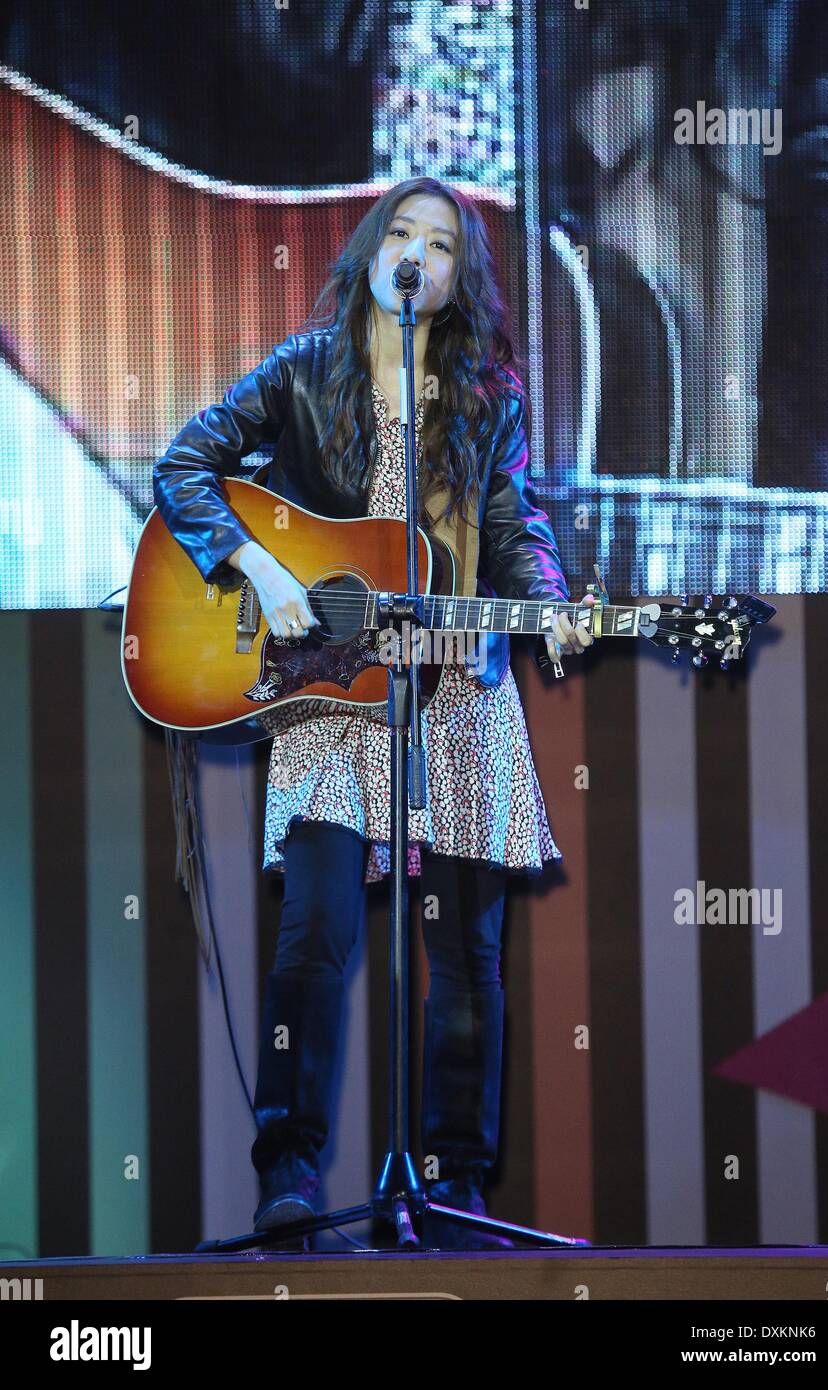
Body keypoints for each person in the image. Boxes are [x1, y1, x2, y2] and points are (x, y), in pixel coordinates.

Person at [153, 176, 592, 1251]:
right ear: (368, 249)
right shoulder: (306, 373)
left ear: (458, 277)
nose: (416, 255)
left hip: (455, 688)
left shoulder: (487, 394)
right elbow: (183, 468)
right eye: (400, 233)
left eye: (439, 245)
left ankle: (452, 1183)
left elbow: (512, 525)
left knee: (466, 955)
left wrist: (549, 610)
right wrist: (256, 565)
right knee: (313, 937)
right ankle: (289, 1172)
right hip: (333, 685)